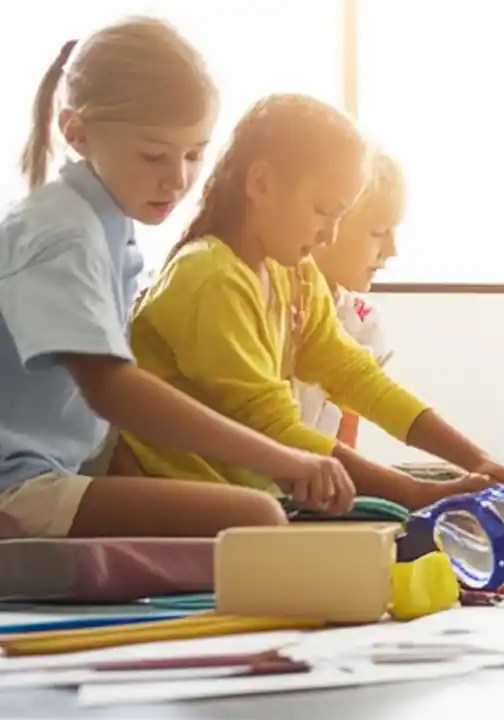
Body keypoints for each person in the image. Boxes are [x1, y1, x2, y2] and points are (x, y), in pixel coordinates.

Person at [0, 18, 351, 539]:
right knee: (254, 519)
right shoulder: (64, 233)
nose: (178, 178)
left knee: (250, 513)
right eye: (153, 155)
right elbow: (112, 389)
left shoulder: (103, 221)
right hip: (17, 485)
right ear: (76, 131)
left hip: (48, 469)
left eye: (194, 154)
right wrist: (285, 458)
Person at [120, 93, 504, 512]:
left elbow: (357, 377)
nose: (329, 236)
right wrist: (414, 493)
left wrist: (478, 459)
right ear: (260, 184)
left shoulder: (293, 273)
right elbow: (276, 431)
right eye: (323, 211)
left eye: (341, 218)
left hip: (239, 496)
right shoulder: (209, 278)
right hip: (172, 498)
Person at [296, 150, 404, 446]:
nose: (392, 250)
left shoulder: (363, 321)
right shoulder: (278, 302)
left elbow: (346, 439)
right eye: (379, 232)